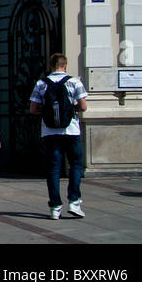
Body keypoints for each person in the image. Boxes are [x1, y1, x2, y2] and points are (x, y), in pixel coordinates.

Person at [29, 53, 88, 220]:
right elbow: (83, 106)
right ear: (65, 66)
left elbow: (33, 109)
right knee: (75, 165)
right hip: (71, 131)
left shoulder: (41, 83)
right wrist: (70, 110)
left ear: (50, 66)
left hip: (49, 132)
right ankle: (74, 202)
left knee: (53, 168)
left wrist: (48, 112)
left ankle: (55, 207)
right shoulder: (74, 82)